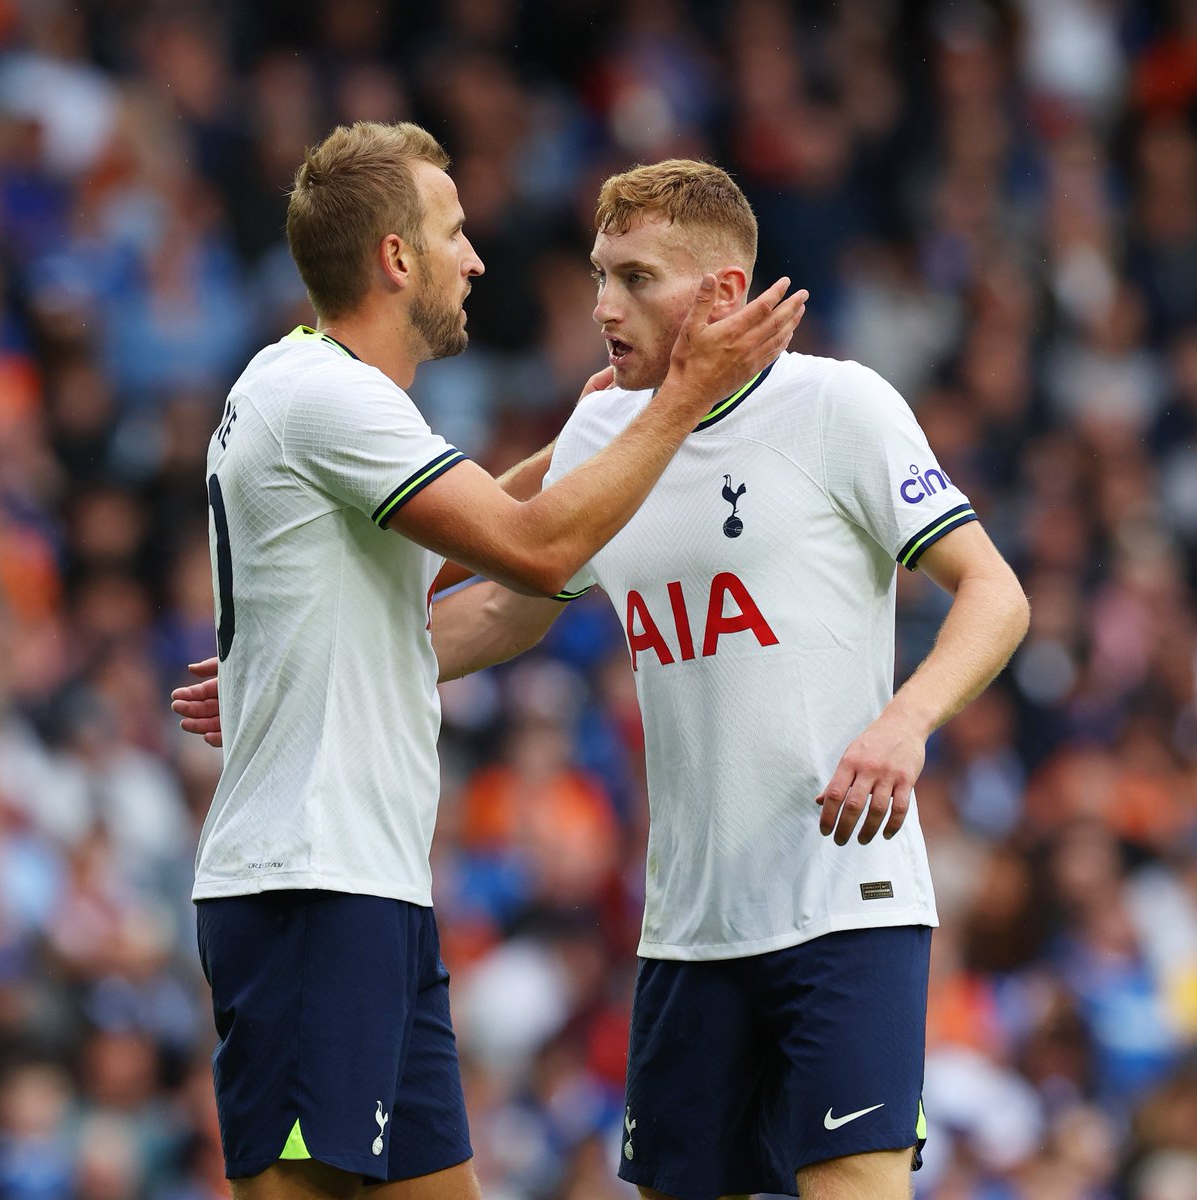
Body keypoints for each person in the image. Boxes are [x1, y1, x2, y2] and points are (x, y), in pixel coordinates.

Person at [175, 157, 1028, 1200]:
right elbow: (503, 602)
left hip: (843, 899)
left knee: (852, 1182)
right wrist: (308, 671)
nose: (601, 307)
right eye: (598, 275)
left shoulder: (839, 408)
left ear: (722, 294)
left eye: (635, 280)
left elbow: (995, 592)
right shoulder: (608, 429)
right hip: (687, 928)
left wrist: (908, 720)